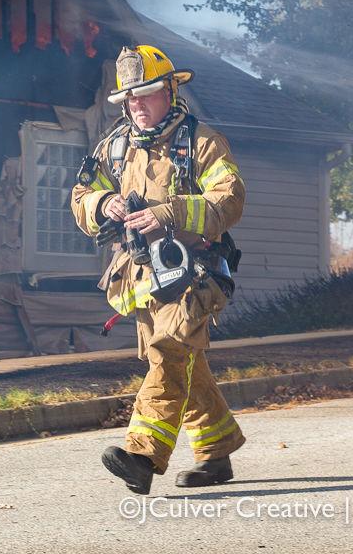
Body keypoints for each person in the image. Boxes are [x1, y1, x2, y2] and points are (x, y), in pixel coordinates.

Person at [70, 44, 247, 494]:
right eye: (130, 98)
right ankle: (215, 453)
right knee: (183, 362)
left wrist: (169, 214)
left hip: (194, 275)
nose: (137, 105)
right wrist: (101, 203)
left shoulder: (202, 142)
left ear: (170, 91)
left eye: (146, 94)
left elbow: (229, 199)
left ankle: (142, 457)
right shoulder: (115, 147)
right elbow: (79, 197)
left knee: (170, 353)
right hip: (140, 276)